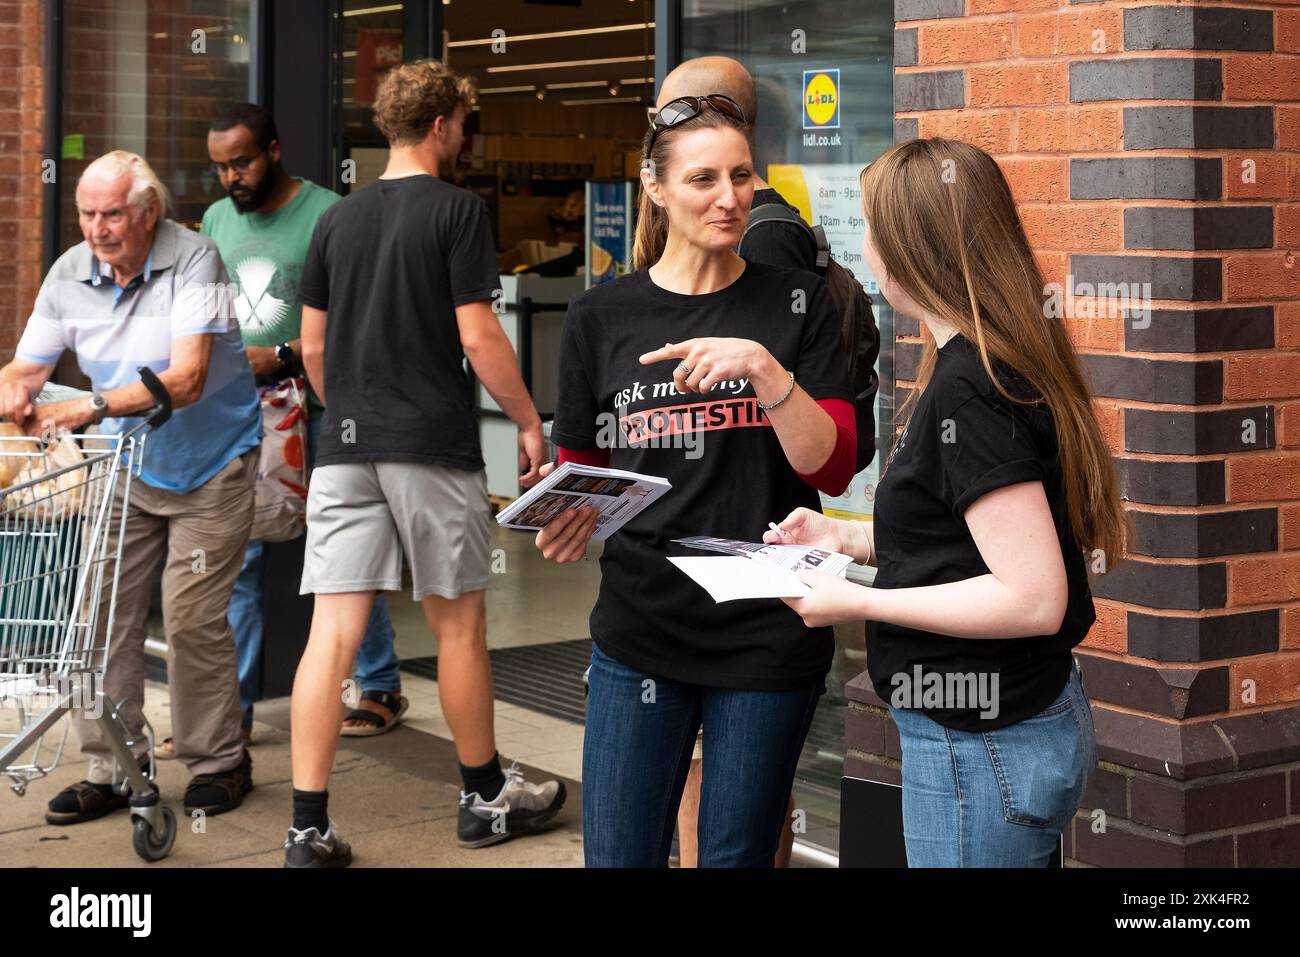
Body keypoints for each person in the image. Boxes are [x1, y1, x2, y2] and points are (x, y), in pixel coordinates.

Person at [774, 137, 1124, 867]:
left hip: (983, 747)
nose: (861, 244)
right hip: (1000, 736)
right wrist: (848, 538)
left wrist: (859, 602)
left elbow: (1031, 598)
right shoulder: (982, 361)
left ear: (907, 251)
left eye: (870, 227)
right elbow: (962, 532)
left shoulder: (972, 386)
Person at [538, 92, 858, 867]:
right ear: (655, 188)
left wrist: (764, 369)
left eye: (742, 176)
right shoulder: (600, 315)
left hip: (766, 627)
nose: (729, 197)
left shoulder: (800, 304)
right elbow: (583, 467)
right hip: (640, 626)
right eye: (704, 179)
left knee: (735, 857)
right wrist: (563, 513)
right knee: (619, 855)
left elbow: (836, 466)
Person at [283, 59, 564, 868]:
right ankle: (482, 798)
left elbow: (311, 344)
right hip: (431, 444)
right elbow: (477, 335)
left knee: (329, 634)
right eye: (464, 127)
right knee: (459, 625)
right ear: (444, 125)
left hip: (345, 447)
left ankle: (307, 827)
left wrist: (348, 411)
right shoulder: (456, 211)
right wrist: (525, 419)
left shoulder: (336, 220)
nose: (464, 140)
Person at [0, 150, 262, 823]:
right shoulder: (68, 273)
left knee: (190, 615)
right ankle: (114, 763)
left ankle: (218, 760)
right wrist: (15, 392)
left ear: (148, 212)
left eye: (112, 213)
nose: (97, 228)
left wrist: (86, 408)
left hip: (212, 465)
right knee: (100, 612)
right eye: (88, 213)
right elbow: (27, 367)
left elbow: (188, 377)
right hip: (127, 464)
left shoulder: (198, 261)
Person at [651, 55, 830, 870]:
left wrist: (762, 371)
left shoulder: (771, 241)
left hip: (757, 591)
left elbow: (821, 454)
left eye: (678, 113)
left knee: (743, 814)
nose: (721, 193)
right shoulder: (637, 282)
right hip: (661, 601)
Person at [199, 102, 407, 749]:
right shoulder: (215, 219)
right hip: (239, 416)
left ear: (275, 149)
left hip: (321, 412)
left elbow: (359, 317)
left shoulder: (326, 214)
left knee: (341, 550)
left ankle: (378, 684)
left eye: (242, 161)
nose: (232, 177)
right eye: (220, 167)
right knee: (239, 555)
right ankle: (230, 710)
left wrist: (284, 354)